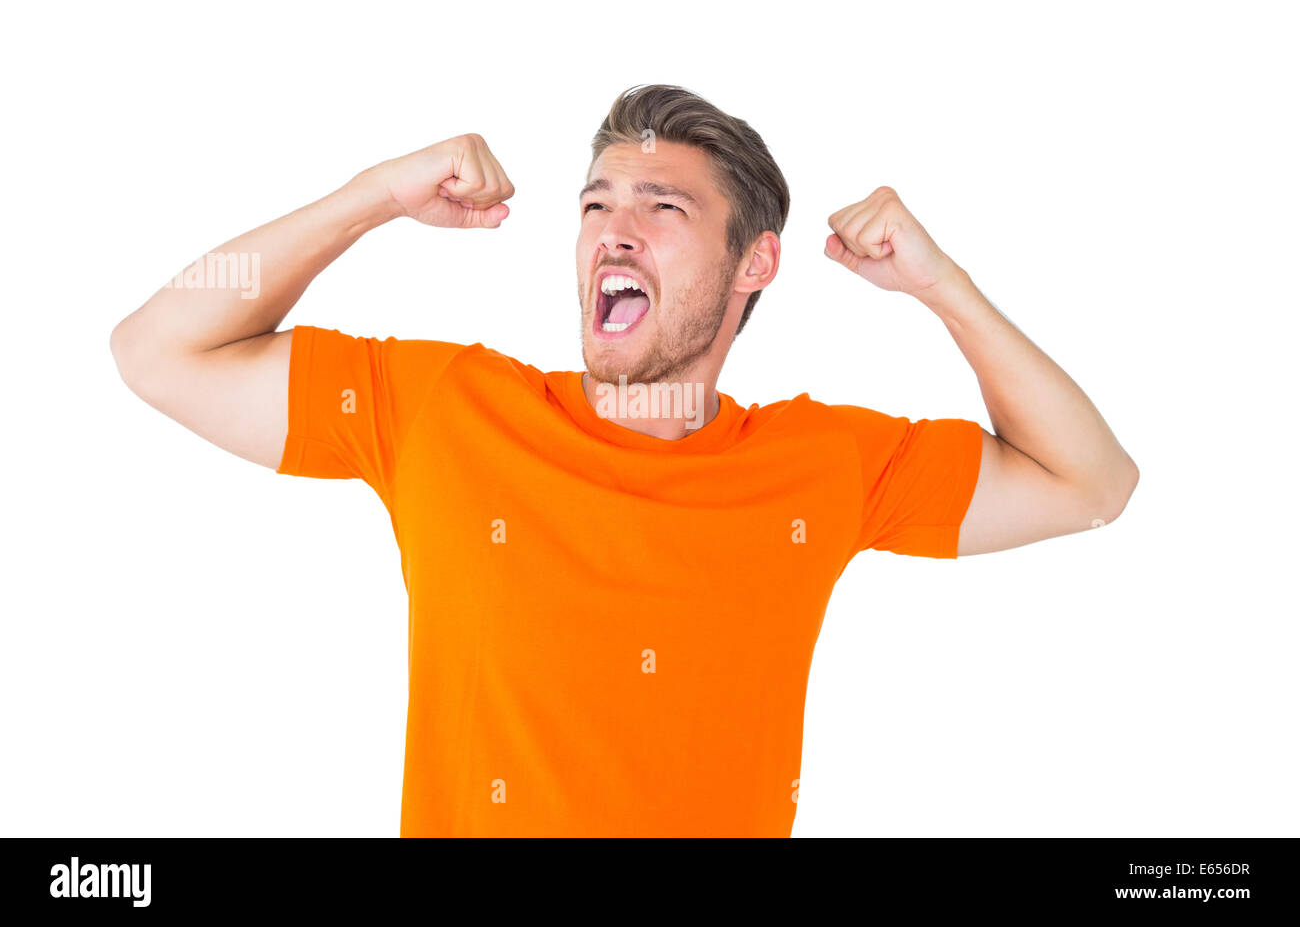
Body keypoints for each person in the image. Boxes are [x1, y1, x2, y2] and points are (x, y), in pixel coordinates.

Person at [109, 83, 1139, 837]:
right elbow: (156, 349)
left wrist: (943, 285)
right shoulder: (445, 409)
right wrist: (373, 195)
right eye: (597, 204)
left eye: (663, 208)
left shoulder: (825, 462)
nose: (613, 232)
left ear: (755, 263)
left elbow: (1092, 483)